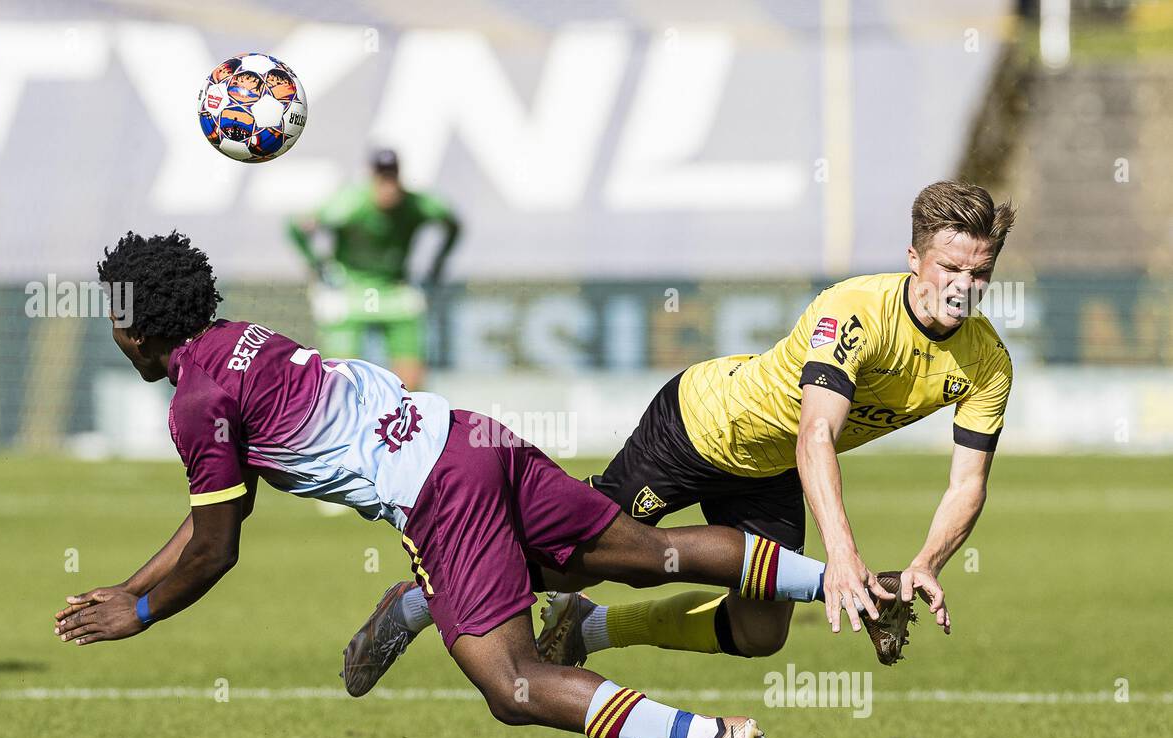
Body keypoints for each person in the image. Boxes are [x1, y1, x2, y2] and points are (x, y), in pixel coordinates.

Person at [52, 231, 903, 738]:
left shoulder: (195, 400)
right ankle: (854, 587)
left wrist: (144, 611)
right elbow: (207, 520)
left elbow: (216, 547)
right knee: (648, 556)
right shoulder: (243, 341)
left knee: (516, 686)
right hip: (475, 440)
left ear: (134, 329)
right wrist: (132, 582)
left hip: (441, 497)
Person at [348, 180, 1012, 679]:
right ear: (913, 259)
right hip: (698, 425)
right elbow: (816, 435)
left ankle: (593, 630)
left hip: (768, 468)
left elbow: (966, 483)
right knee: (568, 563)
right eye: (949, 268)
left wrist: (926, 563)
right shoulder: (856, 311)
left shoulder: (987, 363)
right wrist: (842, 556)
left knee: (760, 631)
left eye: (978, 273)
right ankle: (412, 605)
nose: (962, 286)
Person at [287, 148, 459, 390]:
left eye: (392, 178)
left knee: (414, 380)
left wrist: (438, 263)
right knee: (339, 380)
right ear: (372, 178)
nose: (387, 187)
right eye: (382, 179)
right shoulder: (349, 205)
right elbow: (296, 226)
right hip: (349, 289)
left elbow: (452, 223)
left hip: (394, 288)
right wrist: (317, 265)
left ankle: (409, 421)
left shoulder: (417, 205)